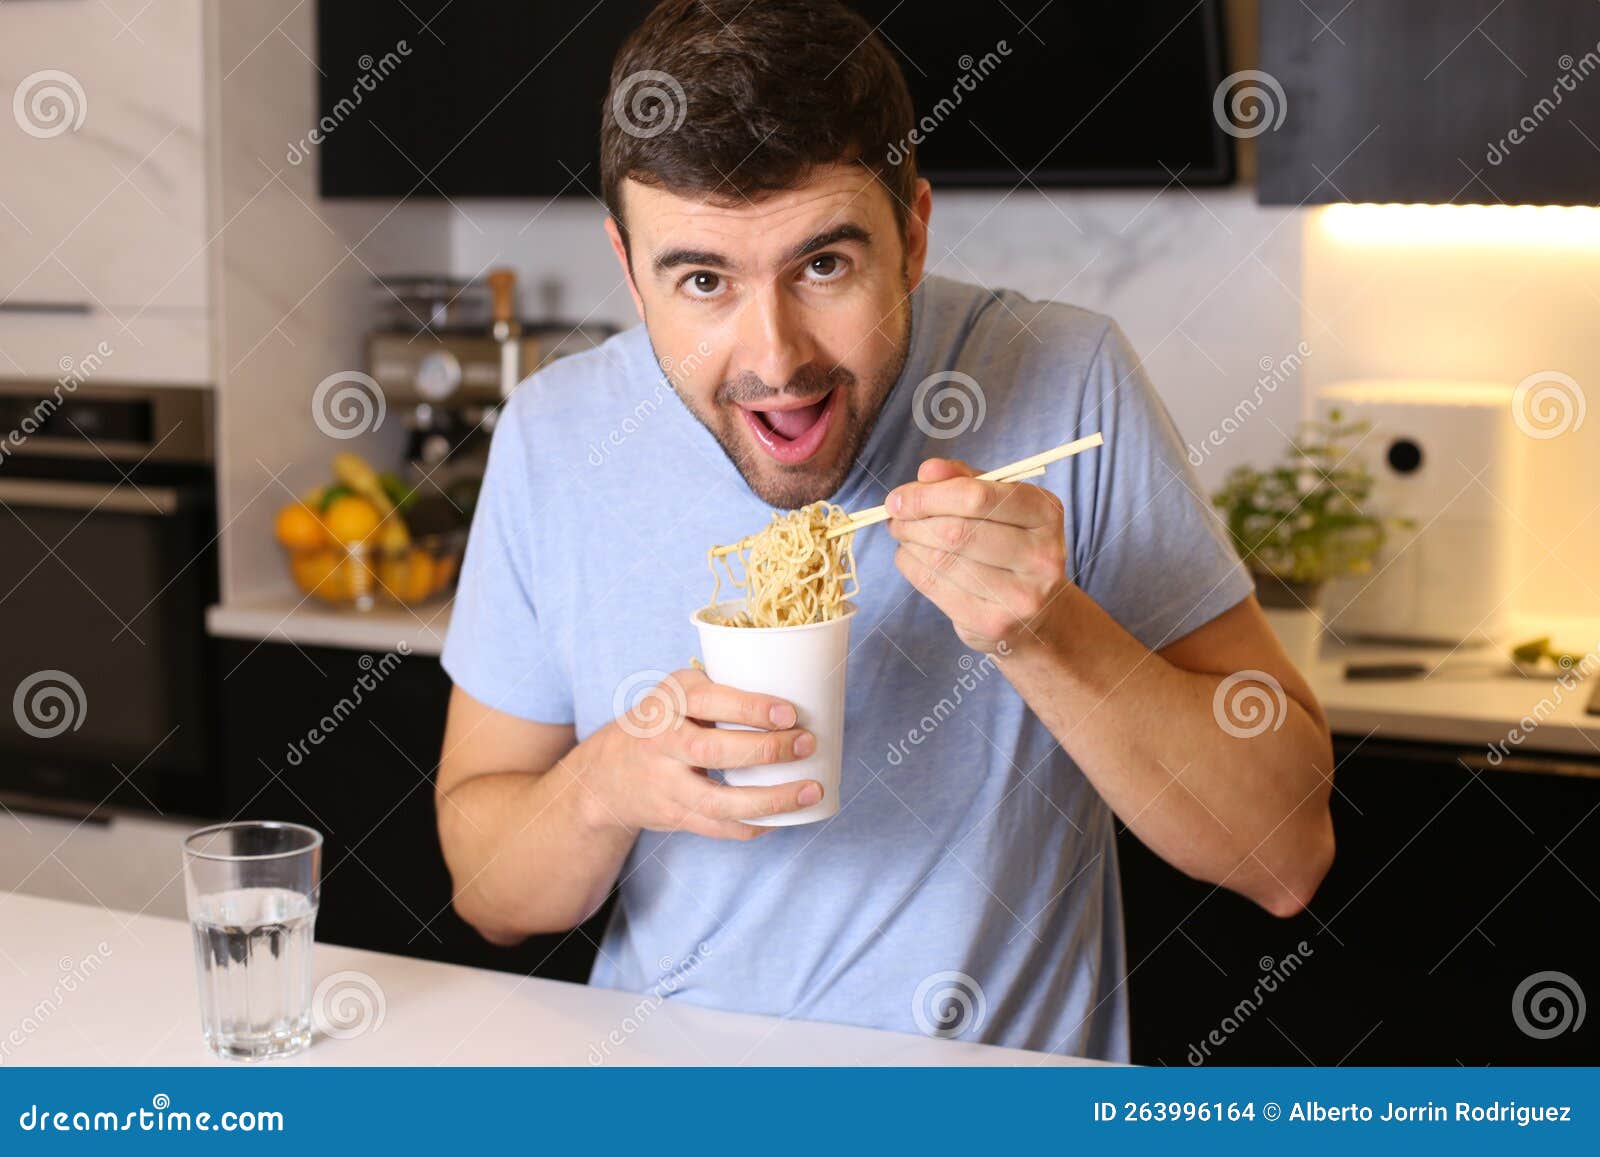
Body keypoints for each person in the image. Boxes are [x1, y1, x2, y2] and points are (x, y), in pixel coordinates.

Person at [436, 0, 1333, 1061]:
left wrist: (1048, 631)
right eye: (702, 279)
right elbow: (487, 893)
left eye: (823, 265)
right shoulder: (556, 432)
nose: (774, 358)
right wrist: (605, 781)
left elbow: (1283, 854)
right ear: (629, 270)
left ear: (910, 232)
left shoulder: (1061, 378)